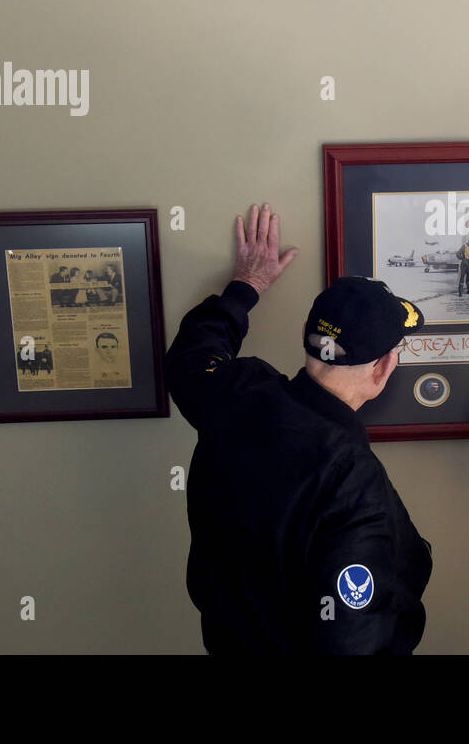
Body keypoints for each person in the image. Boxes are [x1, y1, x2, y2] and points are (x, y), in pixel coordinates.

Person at [165, 203, 433, 654]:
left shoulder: (235, 392)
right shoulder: (351, 479)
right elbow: (353, 636)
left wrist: (246, 286)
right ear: (386, 366)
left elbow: (190, 357)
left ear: (307, 335)